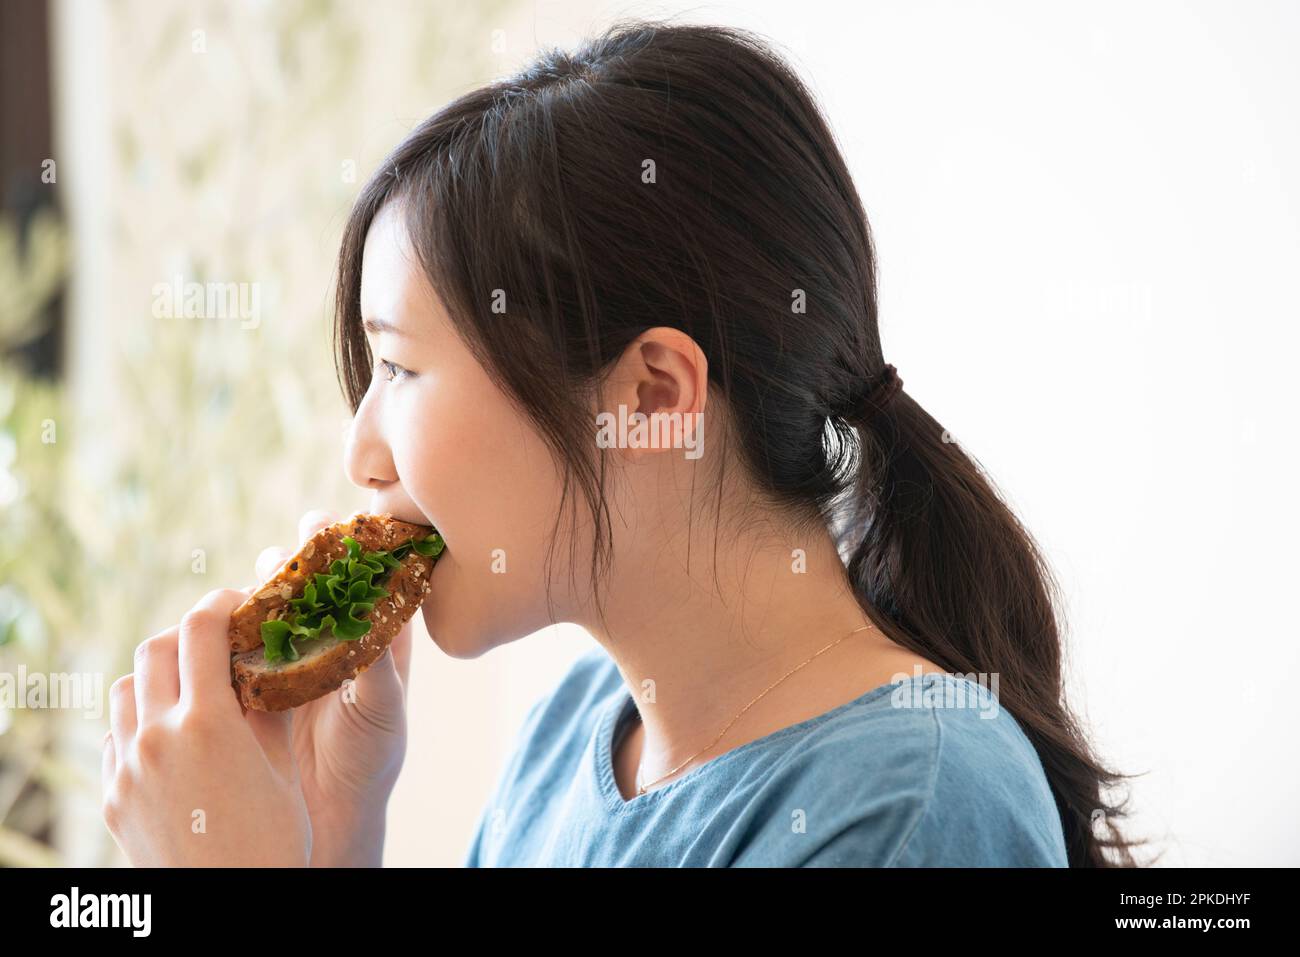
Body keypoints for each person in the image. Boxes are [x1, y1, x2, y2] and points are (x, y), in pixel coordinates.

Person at [101, 20, 1142, 867]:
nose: (362, 456)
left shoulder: (907, 808)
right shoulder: (576, 734)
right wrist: (337, 843)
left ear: (648, 397)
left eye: (402, 369)